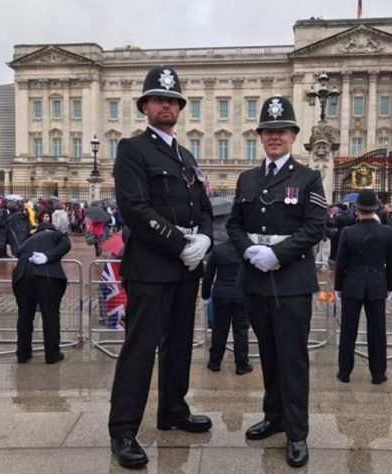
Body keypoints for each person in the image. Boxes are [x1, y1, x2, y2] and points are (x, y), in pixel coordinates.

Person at [108, 65, 214, 469]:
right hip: (152, 265)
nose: (166, 105)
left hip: (186, 267)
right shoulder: (133, 150)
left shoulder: (186, 156)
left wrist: (203, 239)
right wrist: (180, 243)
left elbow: (205, 205)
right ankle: (123, 430)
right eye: (159, 99)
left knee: (179, 345)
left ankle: (173, 409)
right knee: (140, 349)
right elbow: (135, 209)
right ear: (146, 106)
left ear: (180, 108)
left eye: (173, 100)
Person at [226, 94, 326, 468]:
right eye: (268, 131)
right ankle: (274, 417)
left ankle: (297, 432)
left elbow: (315, 227)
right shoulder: (247, 178)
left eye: (281, 131)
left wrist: (277, 254)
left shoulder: (308, 177)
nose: (274, 137)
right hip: (255, 279)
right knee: (268, 353)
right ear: (261, 136)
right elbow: (234, 224)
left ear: (293, 135)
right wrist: (248, 251)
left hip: (292, 280)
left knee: (293, 358)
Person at [333, 189, 392, 384]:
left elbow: (341, 262)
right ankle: (378, 374)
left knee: (348, 332)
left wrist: (338, 287)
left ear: (357, 209)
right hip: (377, 285)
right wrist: (389, 286)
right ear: (376, 209)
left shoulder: (348, 232)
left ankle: (345, 372)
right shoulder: (387, 232)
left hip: (352, 284)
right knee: (377, 332)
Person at [11, 222, 71, 364]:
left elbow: (18, 253)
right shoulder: (56, 234)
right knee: (50, 315)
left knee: (25, 315)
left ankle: (22, 353)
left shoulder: (28, 240)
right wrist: (48, 256)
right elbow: (66, 245)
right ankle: (52, 354)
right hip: (46, 275)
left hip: (22, 274)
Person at [201, 241, 253, 375]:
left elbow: (209, 274)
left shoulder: (218, 250)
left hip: (221, 294)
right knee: (241, 329)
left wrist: (205, 294)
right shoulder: (248, 249)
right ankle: (242, 365)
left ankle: (215, 362)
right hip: (242, 294)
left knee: (219, 329)